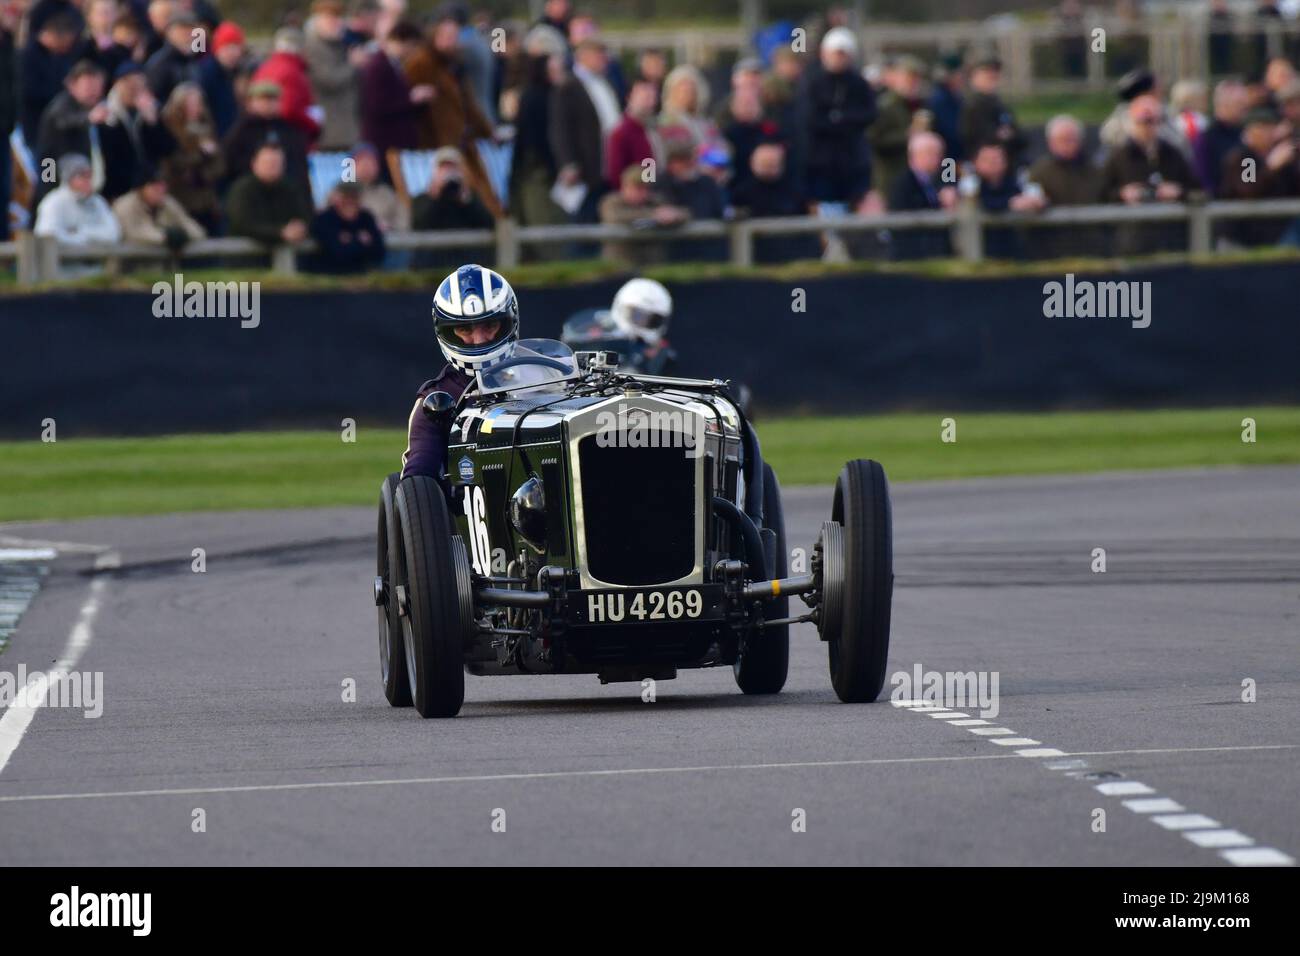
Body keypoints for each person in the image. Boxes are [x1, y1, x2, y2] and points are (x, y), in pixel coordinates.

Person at [401, 264, 521, 483]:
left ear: (508, 322)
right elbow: (418, 485)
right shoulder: (435, 401)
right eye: (465, 330)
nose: (480, 339)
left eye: (490, 325)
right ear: (448, 332)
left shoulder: (548, 374)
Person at [802, 27, 875, 204]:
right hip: (821, 164)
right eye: (835, 54)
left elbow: (869, 114)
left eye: (843, 54)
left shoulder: (858, 84)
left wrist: (839, 118)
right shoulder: (813, 83)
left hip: (853, 162)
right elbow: (810, 119)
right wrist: (839, 120)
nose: (839, 59)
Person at [561, 277, 677, 375]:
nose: (642, 322)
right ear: (620, 307)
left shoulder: (658, 350)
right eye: (636, 315)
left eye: (652, 320)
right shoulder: (597, 331)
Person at [225, 141, 313, 246]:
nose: (271, 167)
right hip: (245, 256)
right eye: (267, 163)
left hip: (284, 255)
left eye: (276, 163)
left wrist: (299, 228)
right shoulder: (242, 190)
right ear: (254, 164)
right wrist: (279, 232)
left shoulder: (290, 189)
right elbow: (243, 223)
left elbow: (303, 215)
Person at [304, 0, 365, 151]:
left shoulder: (341, 45)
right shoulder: (312, 48)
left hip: (348, 130)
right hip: (327, 133)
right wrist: (353, 65)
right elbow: (329, 80)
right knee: (329, 173)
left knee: (348, 173)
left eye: (337, 18)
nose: (334, 23)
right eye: (328, 18)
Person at [34, 152, 121, 245]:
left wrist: (82, 233)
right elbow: (47, 234)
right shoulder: (53, 202)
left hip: (94, 257)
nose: (87, 181)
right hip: (62, 259)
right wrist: (80, 240)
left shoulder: (97, 202)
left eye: (89, 176)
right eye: (82, 176)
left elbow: (113, 234)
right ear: (69, 178)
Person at [111, 165, 206, 246]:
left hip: (162, 266)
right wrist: (166, 237)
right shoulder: (124, 205)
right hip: (129, 265)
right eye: (154, 186)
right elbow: (135, 235)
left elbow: (197, 231)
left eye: (162, 185)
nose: (160, 190)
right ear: (141, 188)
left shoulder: (168, 203)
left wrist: (184, 235)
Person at [311, 181, 387, 273]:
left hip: (361, 275)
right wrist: (360, 241)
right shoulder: (324, 219)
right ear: (336, 198)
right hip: (328, 276)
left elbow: (378, 253)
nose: (350, 201)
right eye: (346, 197)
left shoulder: (366, 218)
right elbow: (336, 253)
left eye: (354, 197)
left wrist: (349, 241)